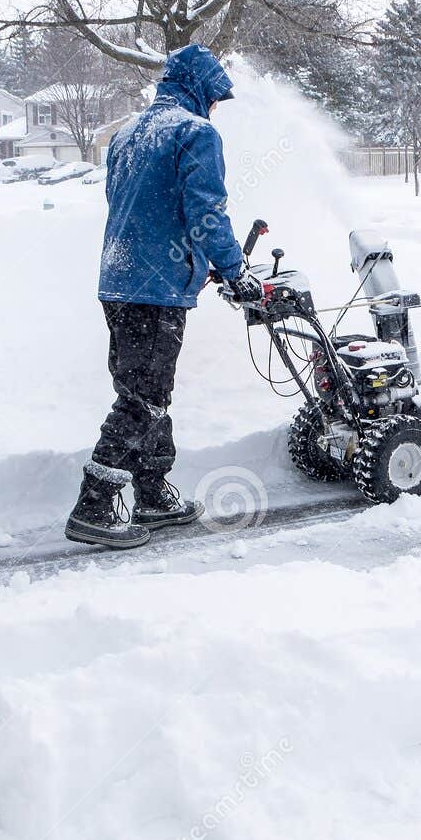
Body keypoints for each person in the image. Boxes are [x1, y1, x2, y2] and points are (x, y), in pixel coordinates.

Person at [65, 44, 263, 549]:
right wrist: (233, 269)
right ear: (198, 89)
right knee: (143, 396)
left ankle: (152, 492)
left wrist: (194, 262)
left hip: (118, 280)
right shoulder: (195, 133)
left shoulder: (128, 133)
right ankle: (94, 503)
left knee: (149, 390)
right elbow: (206, 211)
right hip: (156, 289)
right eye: (214, 98)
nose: (215, 108)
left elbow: (132, 204)